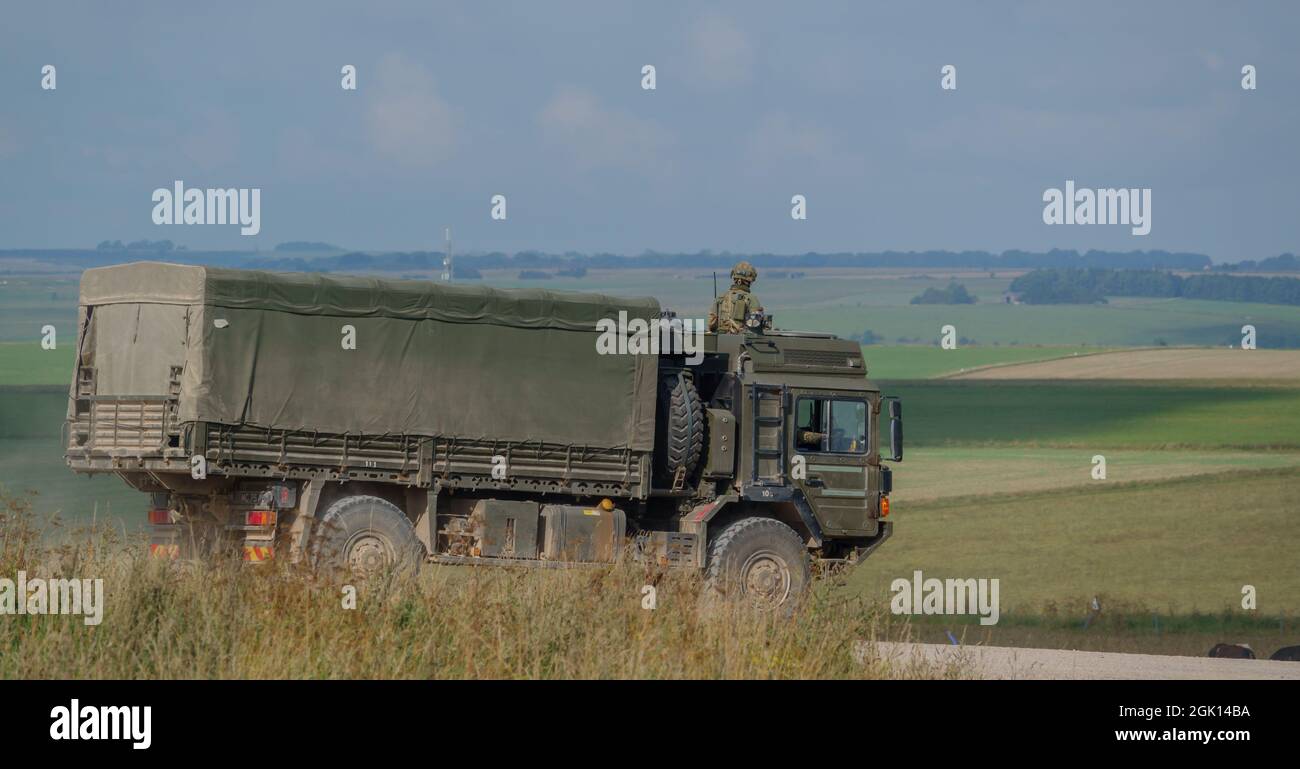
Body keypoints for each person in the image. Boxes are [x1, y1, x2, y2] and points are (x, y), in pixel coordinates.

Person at [708, 261, 763, 333]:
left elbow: (711, 325)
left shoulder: (720, 298)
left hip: (720, 340)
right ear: (749, 280)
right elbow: (755, 326)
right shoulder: (751, 299)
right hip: (740, 340)